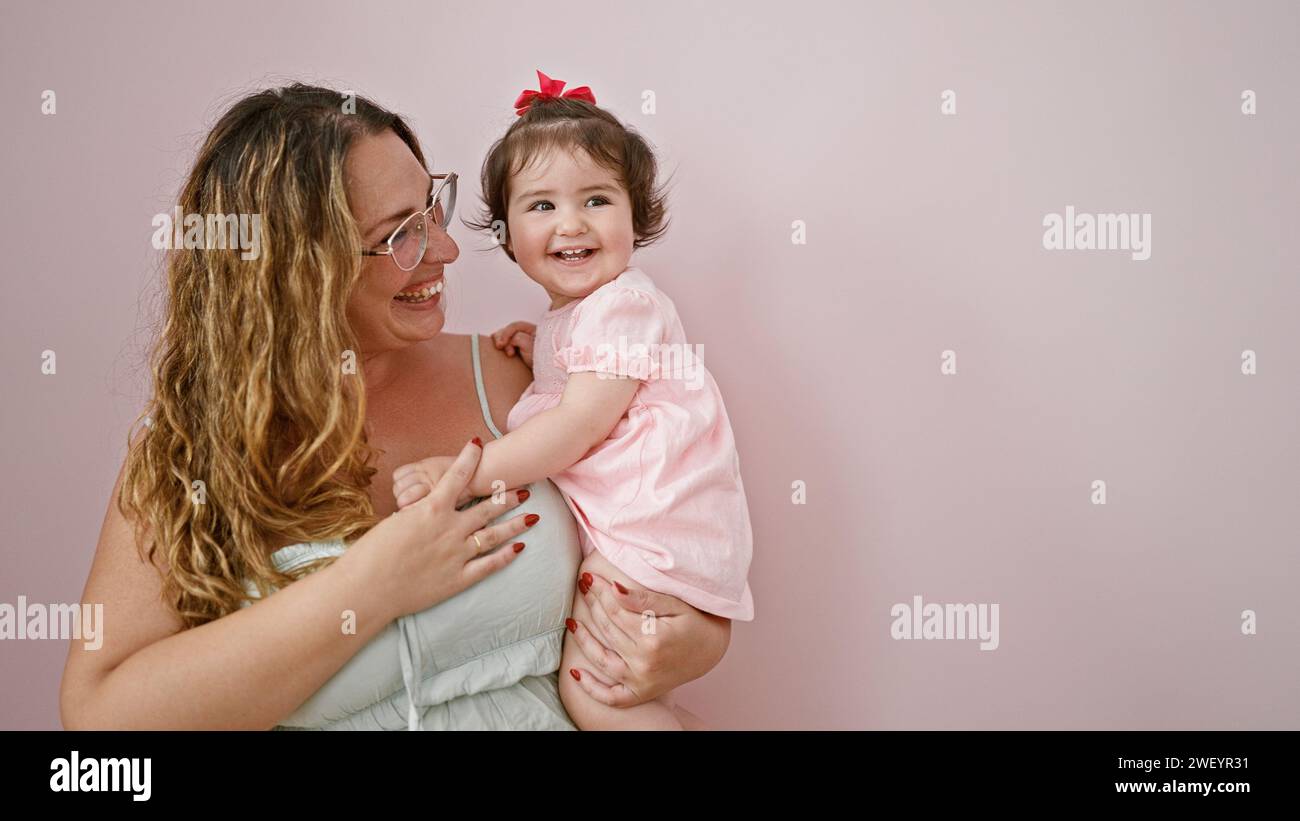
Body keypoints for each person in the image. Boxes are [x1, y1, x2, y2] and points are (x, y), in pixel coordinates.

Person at [58, 83, 733, 730]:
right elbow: (100, 715)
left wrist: (697, 638)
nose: (445, 249)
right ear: (301, 267)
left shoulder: (522, 378)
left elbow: (663, 514)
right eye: (401, 233)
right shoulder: (188, 451)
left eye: (433, 209)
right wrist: (374, 582)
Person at [392, 71, 754, 730]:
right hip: (648, 533)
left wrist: (469, 471)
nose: (572, 224)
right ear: (506, 234)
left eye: (597, 200)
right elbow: (591, 385)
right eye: (542, 206)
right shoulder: (587, 316)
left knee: (595, 691)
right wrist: (545, 353)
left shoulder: (626, 305)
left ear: (635, 216)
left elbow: (578, 426)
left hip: (653, 536)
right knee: (626, 688)